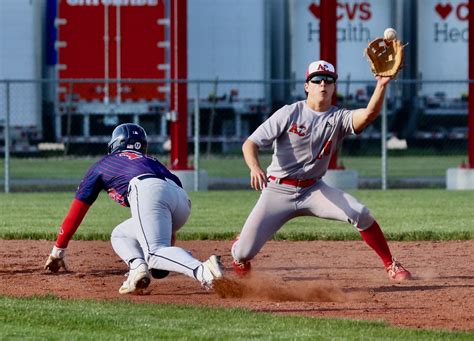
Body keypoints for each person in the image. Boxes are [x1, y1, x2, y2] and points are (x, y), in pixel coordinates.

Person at [231, 60, 412, 281]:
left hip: (313, 189)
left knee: (360, 213)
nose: (322, 84)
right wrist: (255, 167)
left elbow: (369, 114)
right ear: (307, 86)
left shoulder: (339, 117)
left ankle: (390, 264)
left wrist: (382, 85)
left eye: (329, 80)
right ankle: (240, 247)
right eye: (316, 80)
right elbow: (250, 143)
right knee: (243, 253)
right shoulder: (289, 113)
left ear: (335, 87)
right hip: (277, 190)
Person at [44, 123, 224, 294]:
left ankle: (203, 270)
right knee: (120, 234)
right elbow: (165, 218)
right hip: (182, 199)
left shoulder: (104, 163)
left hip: (146, 188)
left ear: (115, 144)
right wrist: (165, 261)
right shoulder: (151, 160)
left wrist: (57, 251)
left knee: (154, 253)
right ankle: (137, 268)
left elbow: (76, 212)